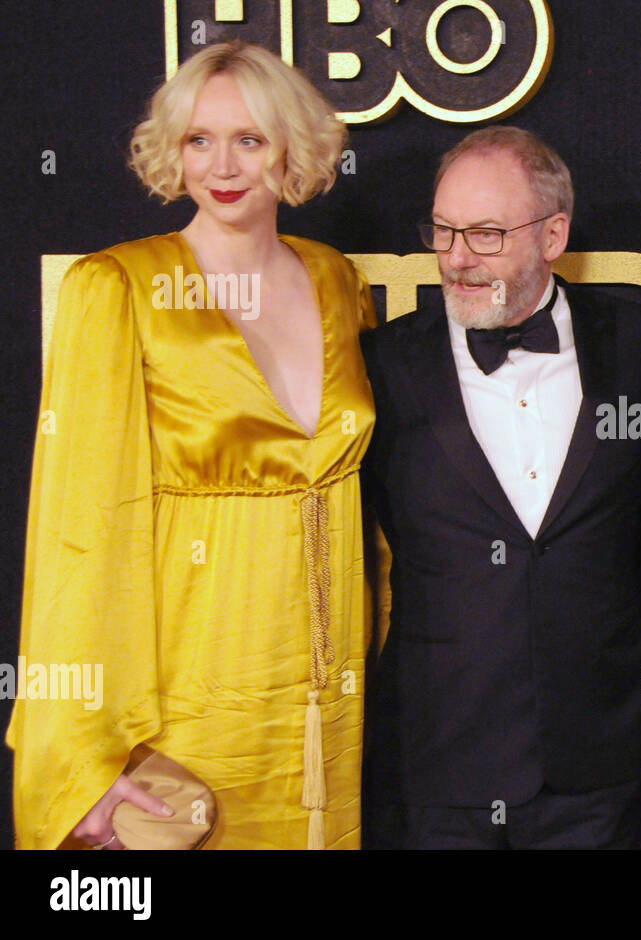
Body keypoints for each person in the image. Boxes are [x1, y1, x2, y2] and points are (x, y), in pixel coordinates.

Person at [6, 40, 375, 850]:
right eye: (199, 139)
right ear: (172, 151)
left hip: (330, 690)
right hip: (188, 691)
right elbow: (79, 529)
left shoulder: (336, 280)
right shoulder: (118, 288)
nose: (224, 164)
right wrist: (83, 748)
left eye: (249, 138)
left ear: (292, 147)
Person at [360, 126, 641, 849]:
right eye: (443, 230)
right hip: (437, 763)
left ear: (553, 235)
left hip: (601, 764)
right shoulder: (382, 366)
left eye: (485, 234)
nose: (456, 257)